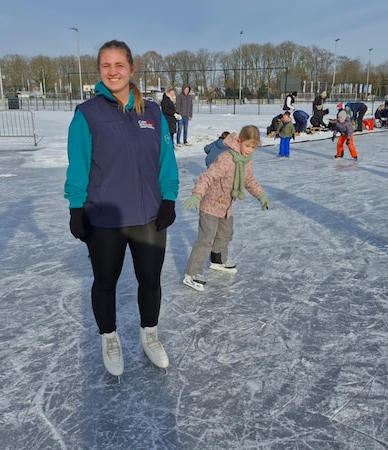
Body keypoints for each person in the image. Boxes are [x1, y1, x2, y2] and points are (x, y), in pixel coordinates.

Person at [65, 40, 179, 377]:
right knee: (105, 282)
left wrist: (169, 198)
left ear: (131, 69)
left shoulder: (153, 112)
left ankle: (150, 335)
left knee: (150, 280)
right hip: (105, 218)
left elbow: (166, 161)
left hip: (148, 216)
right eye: (105, 65)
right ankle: (109, 338)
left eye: (119, 65)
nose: (112, 72)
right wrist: (76, 207)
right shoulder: (87, 114)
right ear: (99, 70)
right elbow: (78, 165)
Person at [181, 126, 269, 292]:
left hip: (226, 206)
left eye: (253, 147)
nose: (250, 150)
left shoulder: (246, 161)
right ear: (239, 141)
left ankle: (218, 260)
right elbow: (207, 177)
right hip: (211, 204)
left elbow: (249, 181)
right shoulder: (226, 159)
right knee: (205, 239)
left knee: (225, 234)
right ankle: (191, 274)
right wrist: (197, 195)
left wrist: (261, 196)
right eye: (248, 145)